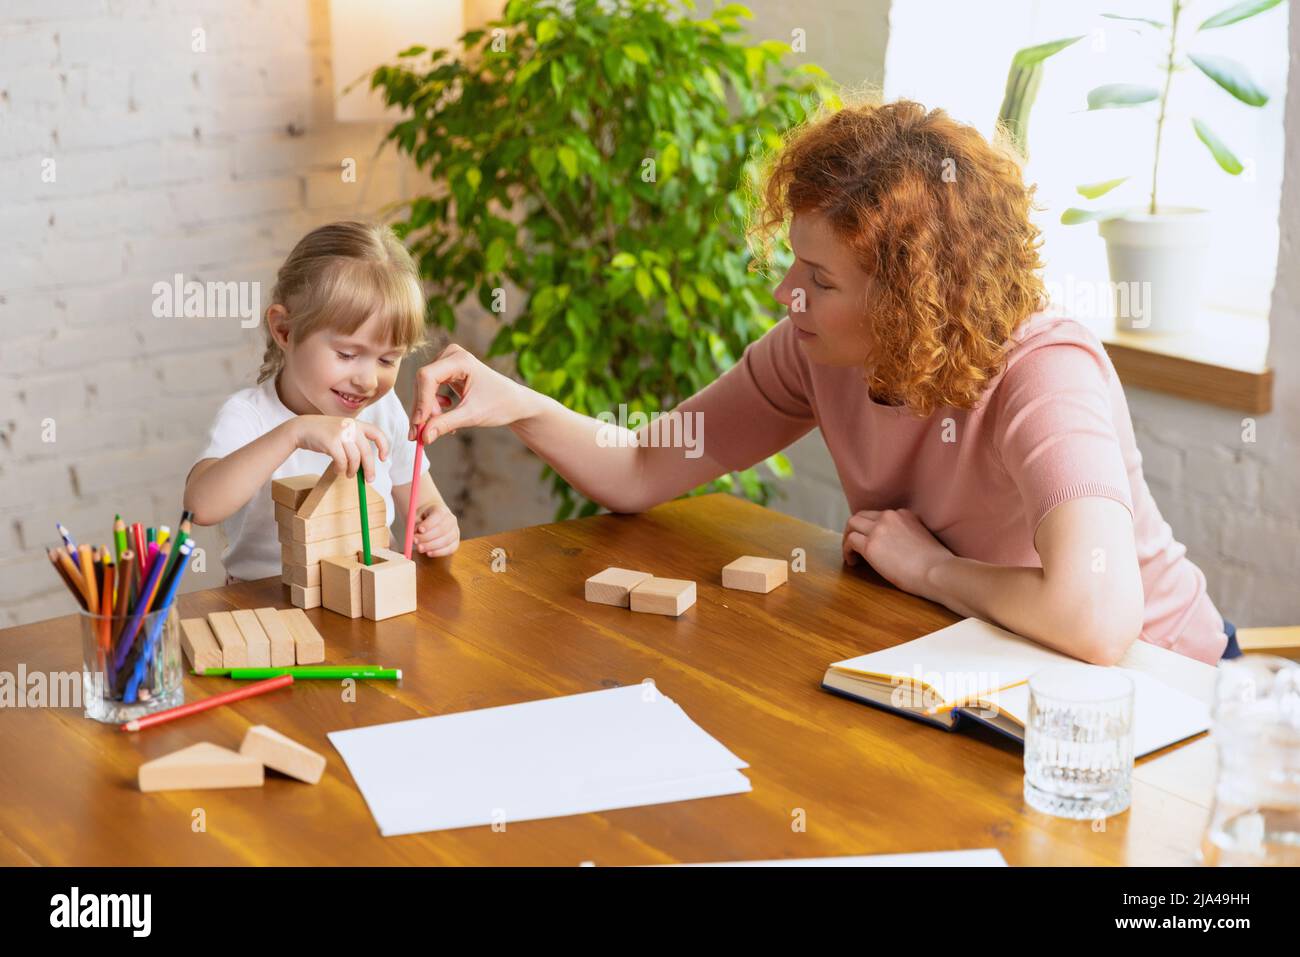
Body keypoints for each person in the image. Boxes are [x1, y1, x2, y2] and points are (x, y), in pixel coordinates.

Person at [404, 100, 1233, 666]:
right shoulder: (817, 352)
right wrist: (514, 402)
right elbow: (640, 469)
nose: (784, 294)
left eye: (820, 279)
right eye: (794, 261)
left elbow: (1097, 618)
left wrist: (928, 570)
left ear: (912, 296)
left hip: (1164, 690)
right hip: (995, 662)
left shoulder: (1045, 375)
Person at [185, 221, 460, 582]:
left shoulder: (382, 408)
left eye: (387, 360)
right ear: (285, 330)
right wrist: (295, 432)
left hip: (366, 598)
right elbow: (200, 506)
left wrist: (439, 523)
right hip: (269, 608)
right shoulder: (249, 415)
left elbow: (423, 505)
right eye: (346, 354)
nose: (367, 380)